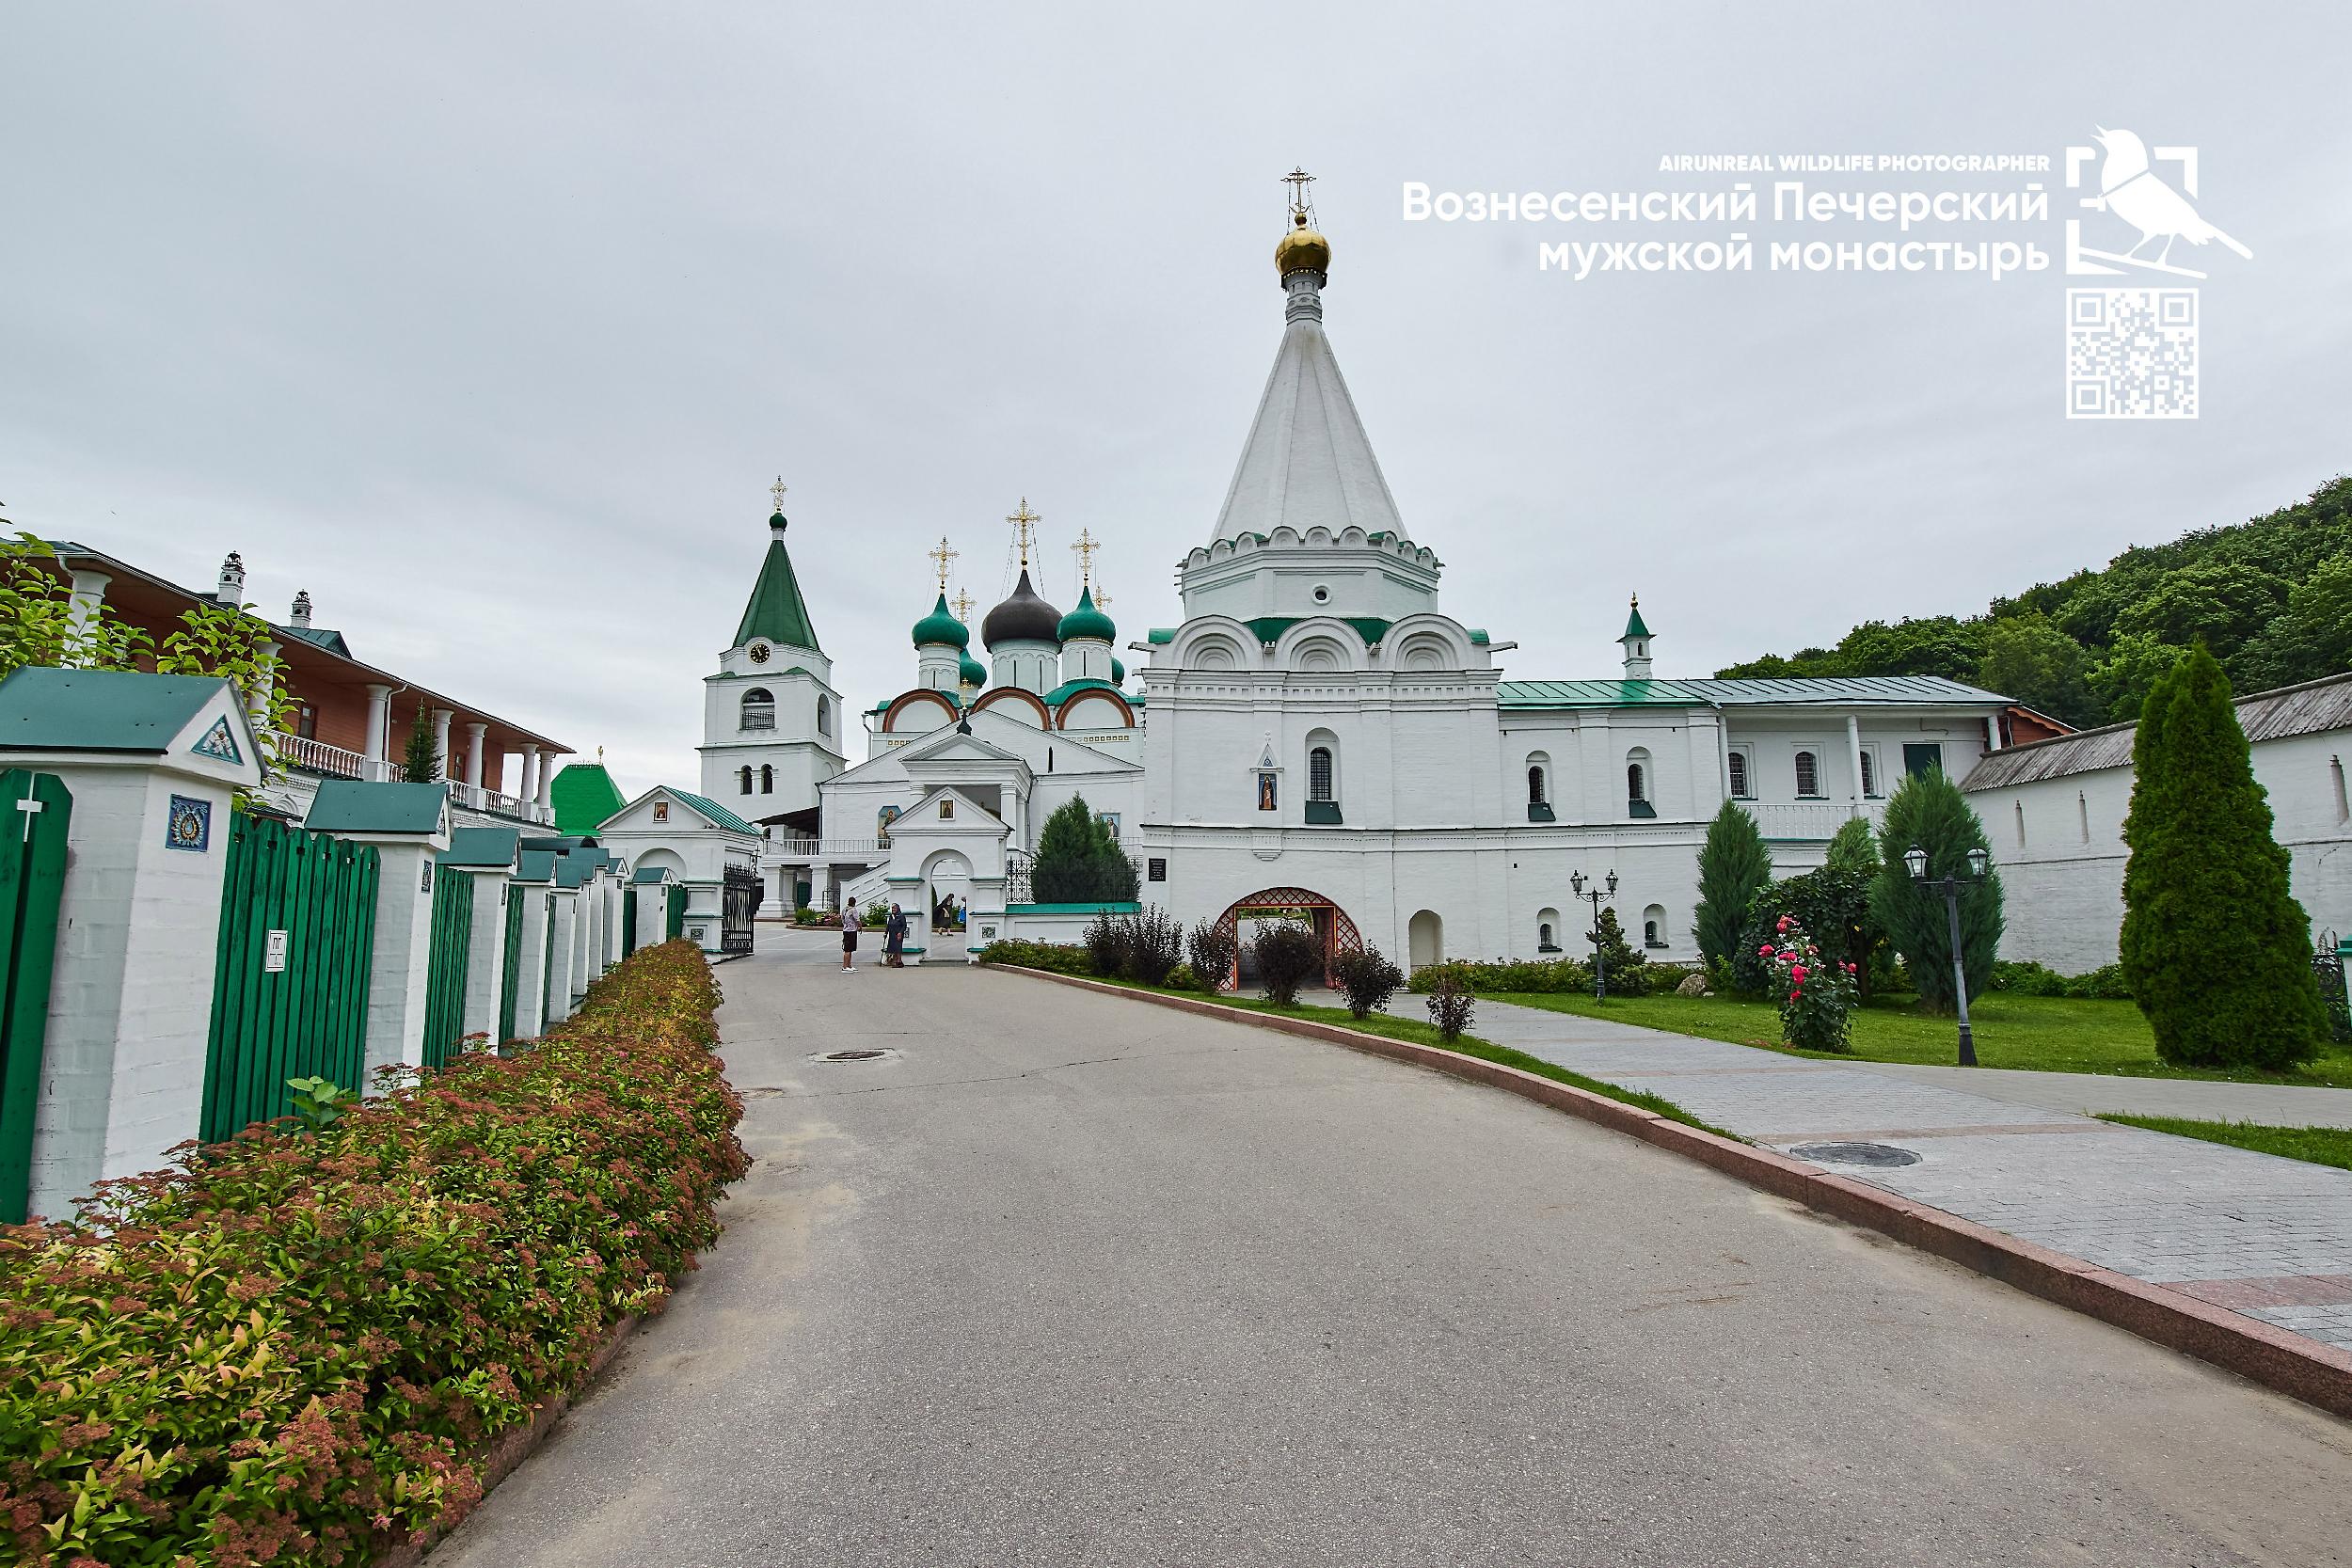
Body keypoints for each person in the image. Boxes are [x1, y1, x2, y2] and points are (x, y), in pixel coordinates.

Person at [884, 902, 906, 967]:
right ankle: (896, 961)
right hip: (892, 934)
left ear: (898, 908)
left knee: (898, 948)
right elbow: (888, 925)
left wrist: (900, 932)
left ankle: (899, 962)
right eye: (892, 908)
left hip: (898, 934)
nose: (893, 909)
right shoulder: (891, 916)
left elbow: (904, 925)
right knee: (893, 948)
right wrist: (886, 933)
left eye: (895, 908)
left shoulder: (901, 916)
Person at [839, 898, 859, 972]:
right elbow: (857, 920)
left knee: (849, 949)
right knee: (848, 949)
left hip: (846, 930)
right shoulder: (853, 910)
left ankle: (849, 965)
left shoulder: (844, 909)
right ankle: (845, 966)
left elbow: (842, 919)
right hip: (852, 931)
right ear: (854, 903)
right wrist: (860, 927)